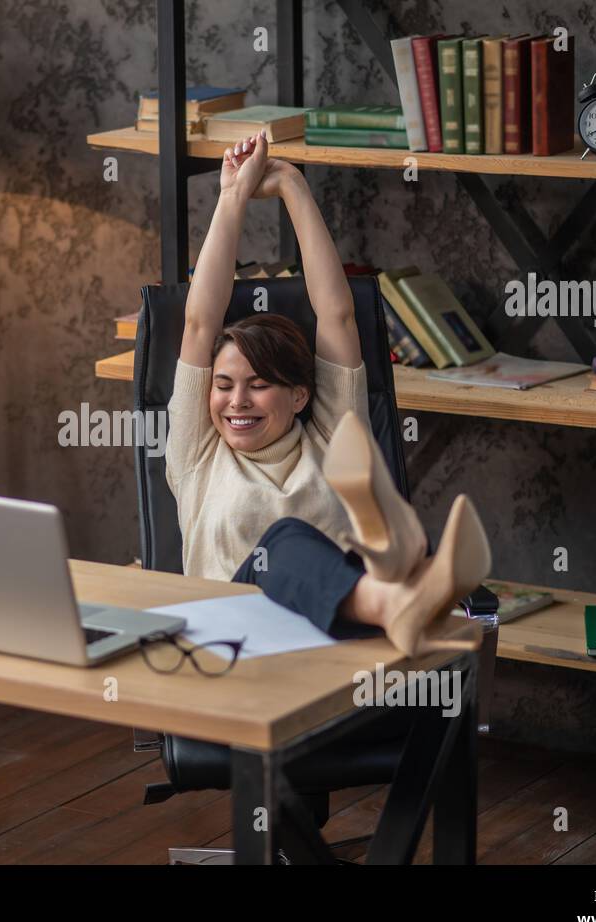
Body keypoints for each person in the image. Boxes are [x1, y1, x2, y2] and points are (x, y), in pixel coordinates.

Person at [165, 131, 490, 656]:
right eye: (223, 386)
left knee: (324, 523)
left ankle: (394, 580)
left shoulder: (331, 440)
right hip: (230, 644)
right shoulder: (198, 455)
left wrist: (293, 183)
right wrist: (231, 197)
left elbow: (336, 314)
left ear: (298, 396)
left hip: (330, 644)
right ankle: (399, 575)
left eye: (259, 385)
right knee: (287, 542)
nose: (236, 401)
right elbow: (201, 321)